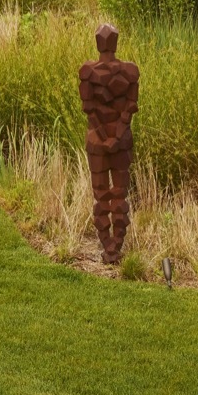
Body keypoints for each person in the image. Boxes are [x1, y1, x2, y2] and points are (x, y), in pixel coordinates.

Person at [77, 22, 140, 265]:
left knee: (101, 194)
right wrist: (116, 136)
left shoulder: (88, 72)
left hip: (97, 143)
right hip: (121, 142)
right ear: (115, 42)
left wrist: (104, 137)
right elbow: (130, 109)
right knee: (119, 193)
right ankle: (116, 244)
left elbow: (89, 110)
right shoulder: (130, 71)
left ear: (98, 43)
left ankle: (108, 245)